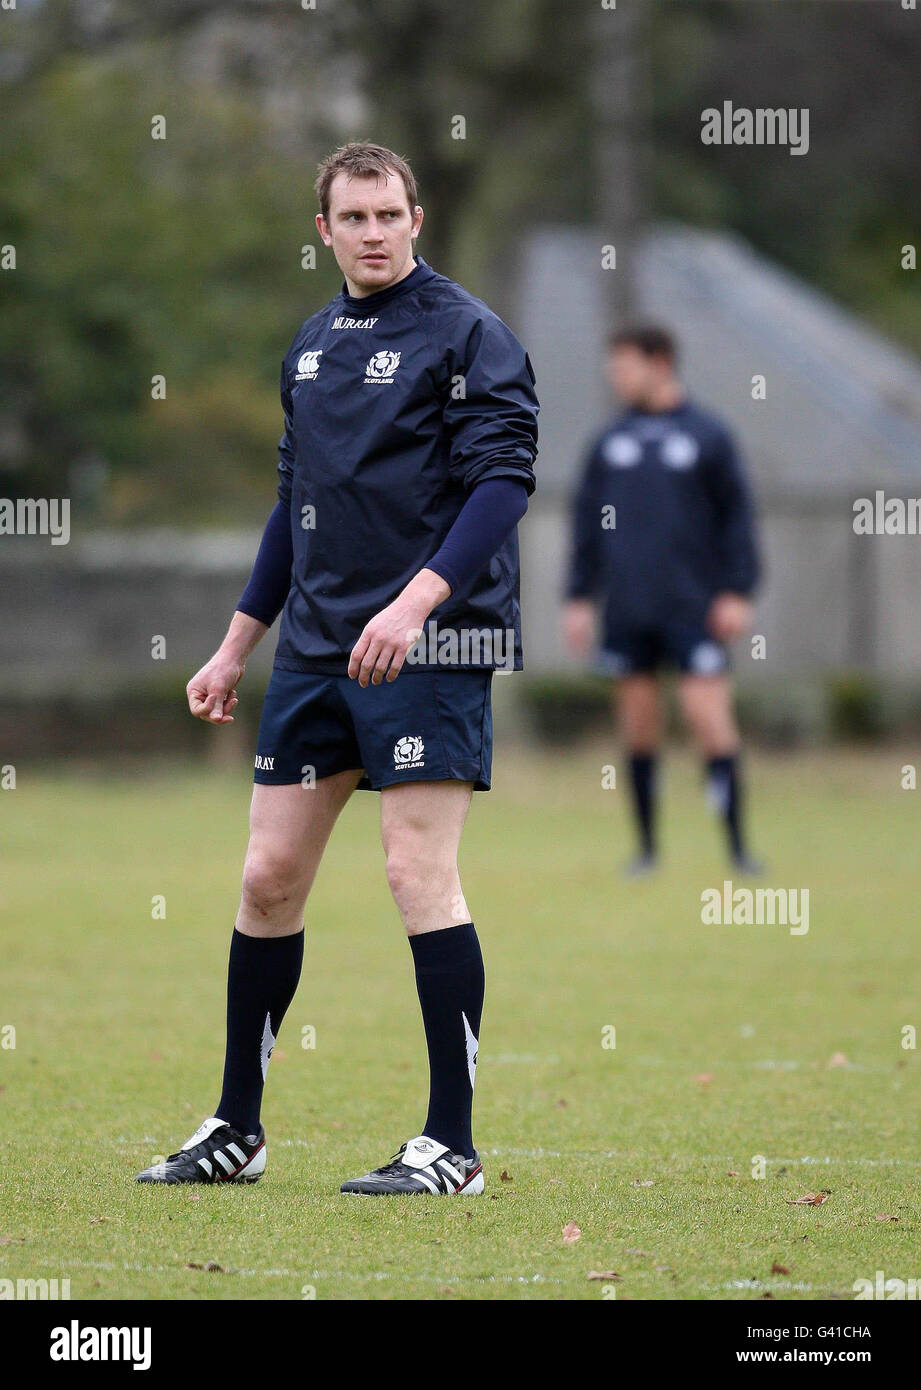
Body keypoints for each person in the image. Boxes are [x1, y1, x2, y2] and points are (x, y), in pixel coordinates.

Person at [136, 141, 538, 1195]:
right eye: (351, 217)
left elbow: (502, 486)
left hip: (435, 639)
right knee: (267, 877)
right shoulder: (311, 346)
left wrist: (417, 600)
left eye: (387, 214)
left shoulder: (468, 334)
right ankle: (237, 1126)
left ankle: (450, 1144)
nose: (371, 231)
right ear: (323, 229)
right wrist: (236, 643)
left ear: (417, 219)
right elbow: (292, 505)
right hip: (318, 645)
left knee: (415, 872)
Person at [562, 324, 761, 876]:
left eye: (626, 365)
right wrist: (579, 597)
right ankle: (647, 852)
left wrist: (736, 590)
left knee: (709, 719)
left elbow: (737, 521)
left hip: (695, 606)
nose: (617, 376)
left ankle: (738, 850)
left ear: (661, 361)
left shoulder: (708, 435)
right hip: (628, 608)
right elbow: (586, 527)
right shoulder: (609, 442)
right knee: (639, 727)